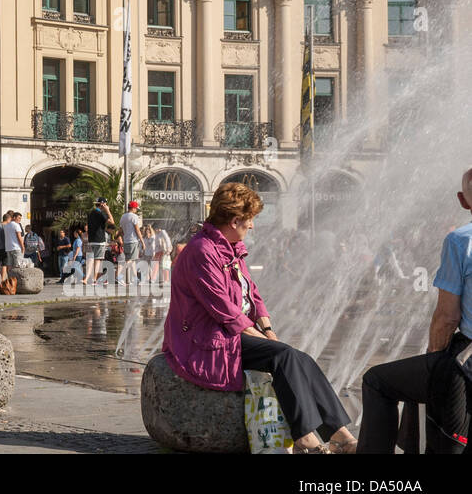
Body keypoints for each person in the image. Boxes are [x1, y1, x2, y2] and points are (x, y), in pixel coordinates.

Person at [164, 182, 356, 453]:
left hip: (229, 334)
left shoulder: (230, 246)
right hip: (206, 340)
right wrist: (263, 338)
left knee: (300, 357)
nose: (252, 226)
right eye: (250, 220)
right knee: (283, 356)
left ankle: (341, 436)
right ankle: (305, 439)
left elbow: (251, 292)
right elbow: (223, 309)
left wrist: (268, 328)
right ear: (235, 220)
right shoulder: (202, 251)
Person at [358, 167, 472, 454]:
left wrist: (433, 358)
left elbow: (447, 317)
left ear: (462, 200)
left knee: (377, 381)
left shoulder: (461, 240)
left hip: (468, 361)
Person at [84, 198, 113, 285]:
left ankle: (87, 278)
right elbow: (112, 222)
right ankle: (94, 280)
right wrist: (108, 211)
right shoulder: (101, 213)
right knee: (98, 260)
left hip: (91, 240)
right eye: (106, 204)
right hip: (99, 240)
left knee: (90, 259)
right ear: (102, 204)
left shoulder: (91, 213)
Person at [120, 201, 143, 279]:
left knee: (132, 260)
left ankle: (135, 278)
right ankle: (119, 275)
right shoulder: (134, 217)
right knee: (129, 261)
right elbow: (137, 230)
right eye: (136, 208)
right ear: (133, 208)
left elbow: (121, 230)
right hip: (133, 241)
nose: (136, 210)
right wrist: (142, 242)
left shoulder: (123, 217)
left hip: (126, 241)